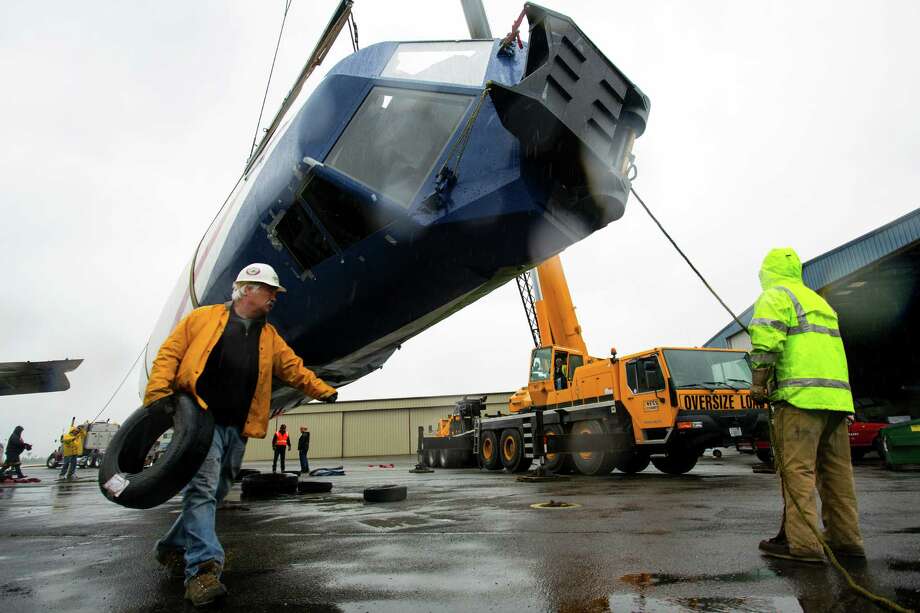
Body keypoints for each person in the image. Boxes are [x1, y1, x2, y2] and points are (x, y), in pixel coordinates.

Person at [144, 262, 338, 607]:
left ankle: (171, 546)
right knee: (202, 488)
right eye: (270, 291)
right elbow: (170, 354)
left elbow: (292, 368)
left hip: (237, 427)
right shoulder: (202, 319)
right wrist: (158, 393)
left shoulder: (269, 337)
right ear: (248, 290)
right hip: (200, 420)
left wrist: (324, 390)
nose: (274, 298)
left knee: (216, 491)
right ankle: (202, 570)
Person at [749, 247, 864, 563]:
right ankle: (847, 541)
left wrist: (758, 384)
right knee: (838, 475)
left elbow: (766, 344)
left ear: (766, 273)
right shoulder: (820, 302)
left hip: (800, 401)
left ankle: (804, 546)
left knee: (797, 473)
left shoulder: (775, 296)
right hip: (837, 402)